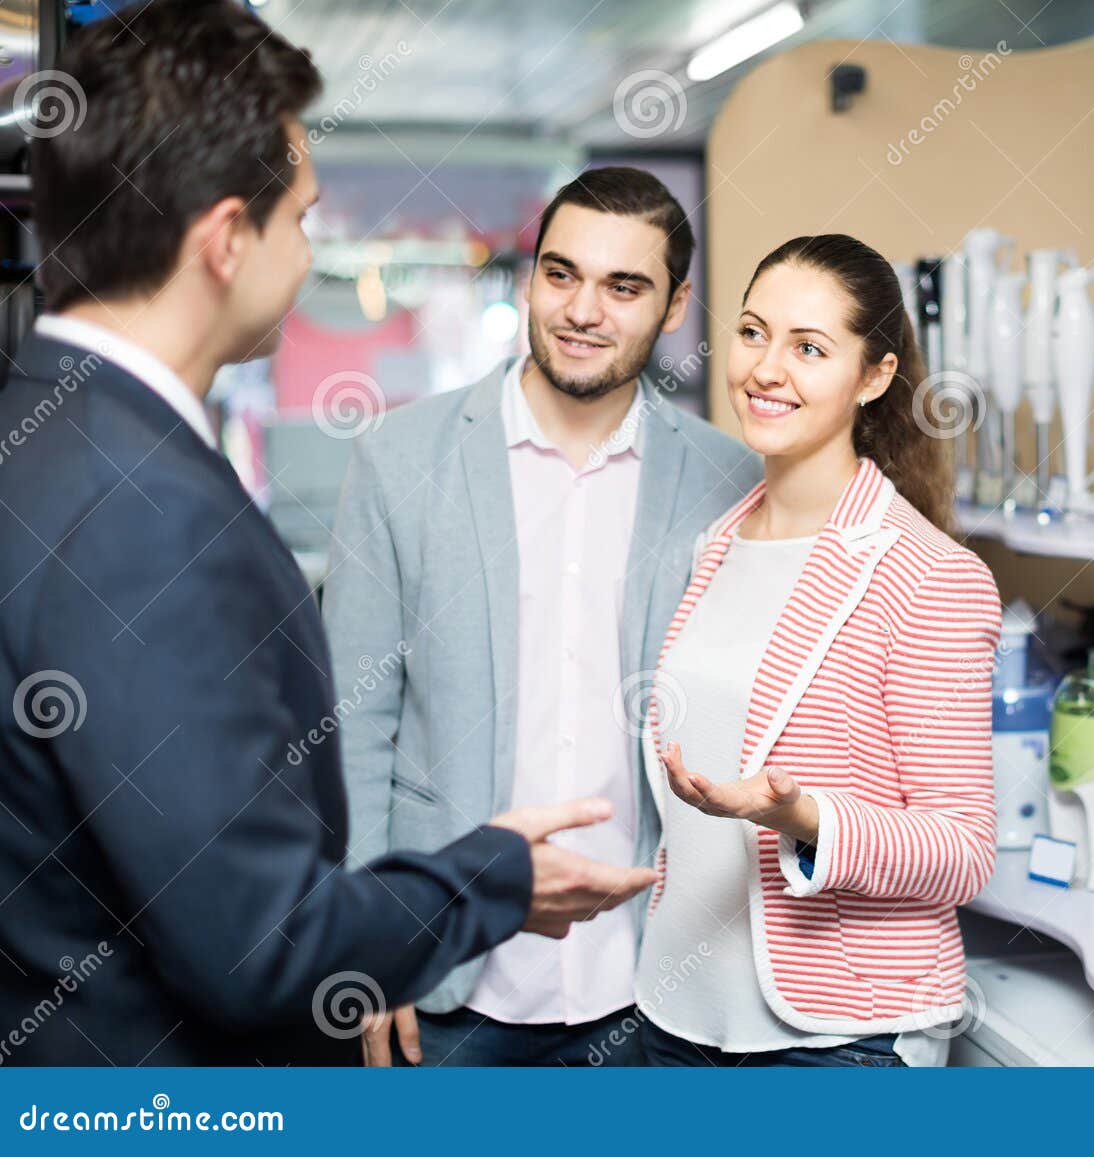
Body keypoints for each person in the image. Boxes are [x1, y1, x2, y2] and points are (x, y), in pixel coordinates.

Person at [0, 0, 654, 1067]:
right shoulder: (142, 514)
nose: (305, 257)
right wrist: (494, 876)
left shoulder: (41, 432)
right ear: (224, 241)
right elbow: (258, 943)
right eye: (299, 219)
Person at [325, 167, 759, 1067]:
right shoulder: (400, 460)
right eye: (560, 274)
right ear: (530, 278)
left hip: (653, 981)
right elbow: (351, 726)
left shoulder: (729, 480)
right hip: (443, 978)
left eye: (624, 286)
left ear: (676, 305)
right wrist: (375, 939)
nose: (582, 310)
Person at [634, 234, 1002, 1067]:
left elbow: (963, 848)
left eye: (809, 348)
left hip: (835, 1041)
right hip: (674, 1013)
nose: (767, 369)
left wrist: (806, 819)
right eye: (753, 332)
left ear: (873, 376)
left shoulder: (930, 575)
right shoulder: (716, 546)